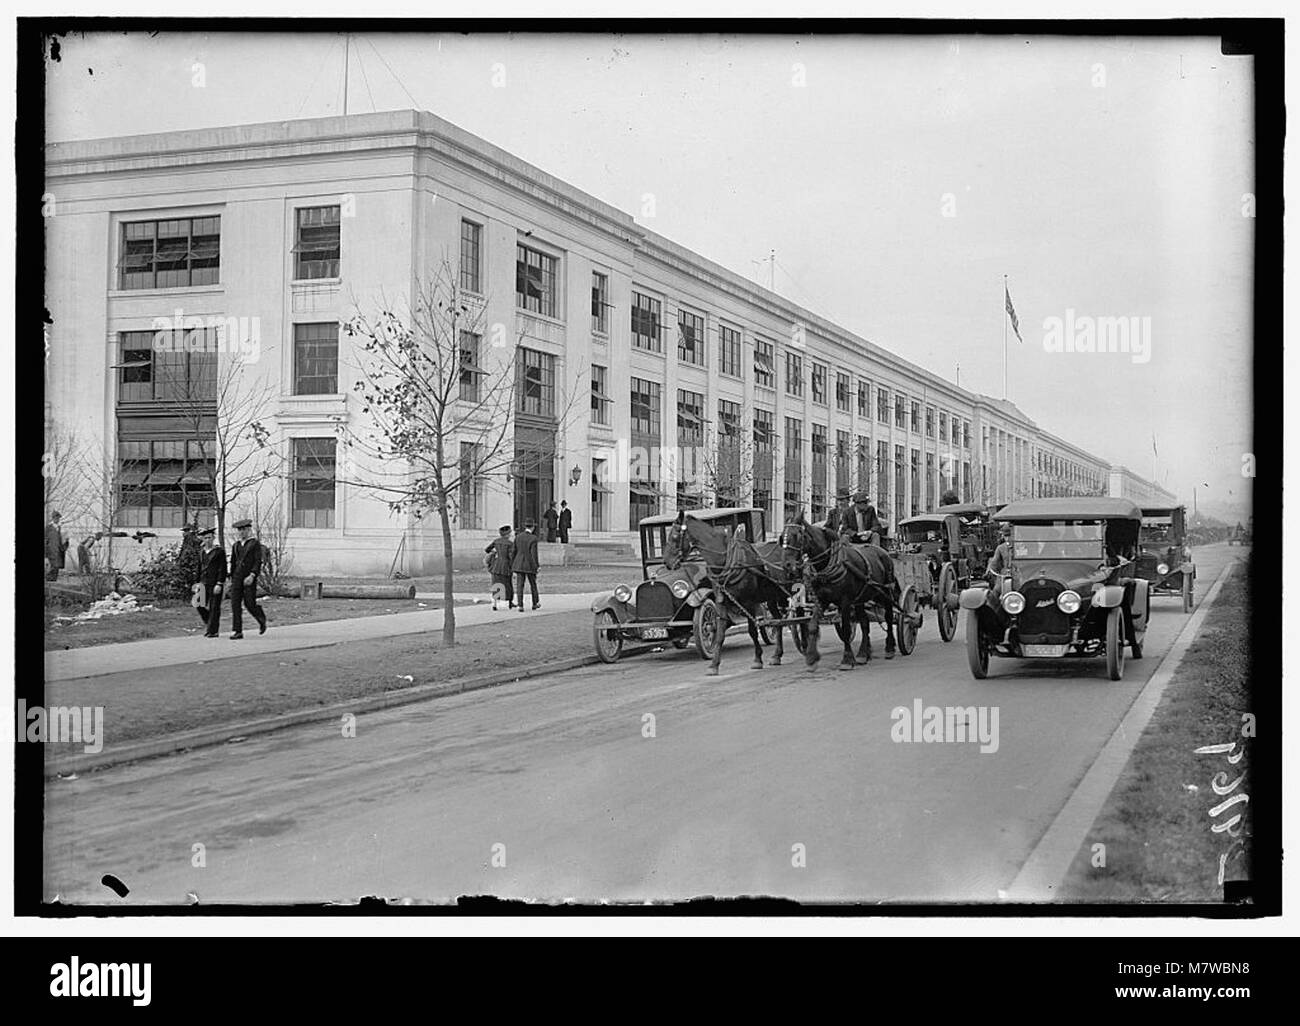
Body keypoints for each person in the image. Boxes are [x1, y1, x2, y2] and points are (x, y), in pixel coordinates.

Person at [228, 518, 267, 639]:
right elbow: (233, 563)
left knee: (249, 603)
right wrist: (231, 577)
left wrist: (252, 575)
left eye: (244, 530)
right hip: (237, 578)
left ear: (249, 530)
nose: (241, 532)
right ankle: (237, 631)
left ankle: (260, 617)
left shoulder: (254, 544)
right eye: (239, 530)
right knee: (235, 604)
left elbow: (257, 561)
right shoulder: (236, 546)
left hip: (249, 577)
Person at [195, 527, 227, 638]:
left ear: (213, 538)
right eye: (205, 538)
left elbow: (222, 568)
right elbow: (199, 568)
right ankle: (210, 622)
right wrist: (197, 583)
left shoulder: (219, 552)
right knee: (198, 604)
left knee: (214, 607)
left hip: (215, 583)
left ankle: (213, 631)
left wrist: (220, 583)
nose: (208, 540)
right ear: (202, 539)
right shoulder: (201, 552)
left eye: (209, 538)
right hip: (203, 583)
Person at [484, 525, 516, 611]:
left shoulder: (496, 541)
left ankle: (494, 603)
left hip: (496, 565)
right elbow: (511, 556)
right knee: (508, 584)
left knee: (496, 584)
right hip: (506, 566)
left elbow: (487, 549)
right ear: (508, 534)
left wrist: (495, 552)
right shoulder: (510, 544)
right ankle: (509, 602)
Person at [512, 519, 541, 611]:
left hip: (519, 563)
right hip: (529, 564)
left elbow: (514, 551)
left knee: (520, 585)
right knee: (533, 584)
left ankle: (520, 604)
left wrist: (513, 563)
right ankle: (535, 603)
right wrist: (536, 566)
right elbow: (534, 554)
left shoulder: (518, 537)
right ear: (532, 527)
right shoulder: (533, 538)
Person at [45, 511, 69, 581]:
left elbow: (62, 540)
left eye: (58, 518)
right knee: (53, 567)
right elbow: (45, 540)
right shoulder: (48, 528)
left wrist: (66, 541)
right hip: (51, 551)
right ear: (53, 518)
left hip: (58, 551)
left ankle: (53, 580)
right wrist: (46, 554)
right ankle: (48, 580)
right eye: (56, 518)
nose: (57, 519)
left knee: (57, 567)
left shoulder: (59, 528)